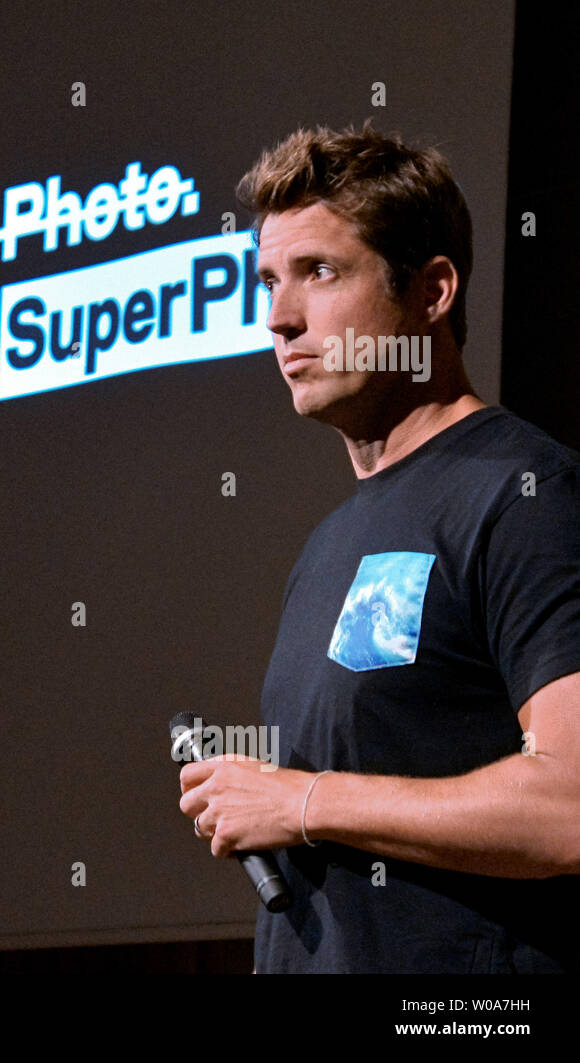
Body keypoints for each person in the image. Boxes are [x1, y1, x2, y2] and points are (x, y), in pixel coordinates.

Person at [178, 123, 580, 973]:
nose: (280, 319)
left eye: (319, 273)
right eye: (269, 282)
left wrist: (307, 799)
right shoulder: (331, 541)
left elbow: (572, 804)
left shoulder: (526, 496)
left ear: (432, 292)